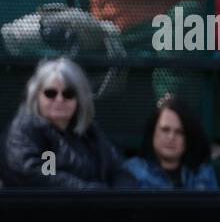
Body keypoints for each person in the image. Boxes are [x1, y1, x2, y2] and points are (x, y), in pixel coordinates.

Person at [2, 57, 135, 188]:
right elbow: (34, 174)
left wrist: (118, 195)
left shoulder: (89, 131)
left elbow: (119, 169)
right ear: (36, 96)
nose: (59, 99)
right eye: (50, 93)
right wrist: (91, 192)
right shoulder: (24, 129)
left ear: (80, 99)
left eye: (68, 94)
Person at [124, 94, 218, 189]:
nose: (171, 137)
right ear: (153, 132)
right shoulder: (133, 171)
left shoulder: (202, 173)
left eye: (179, 132)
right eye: (165, 129)